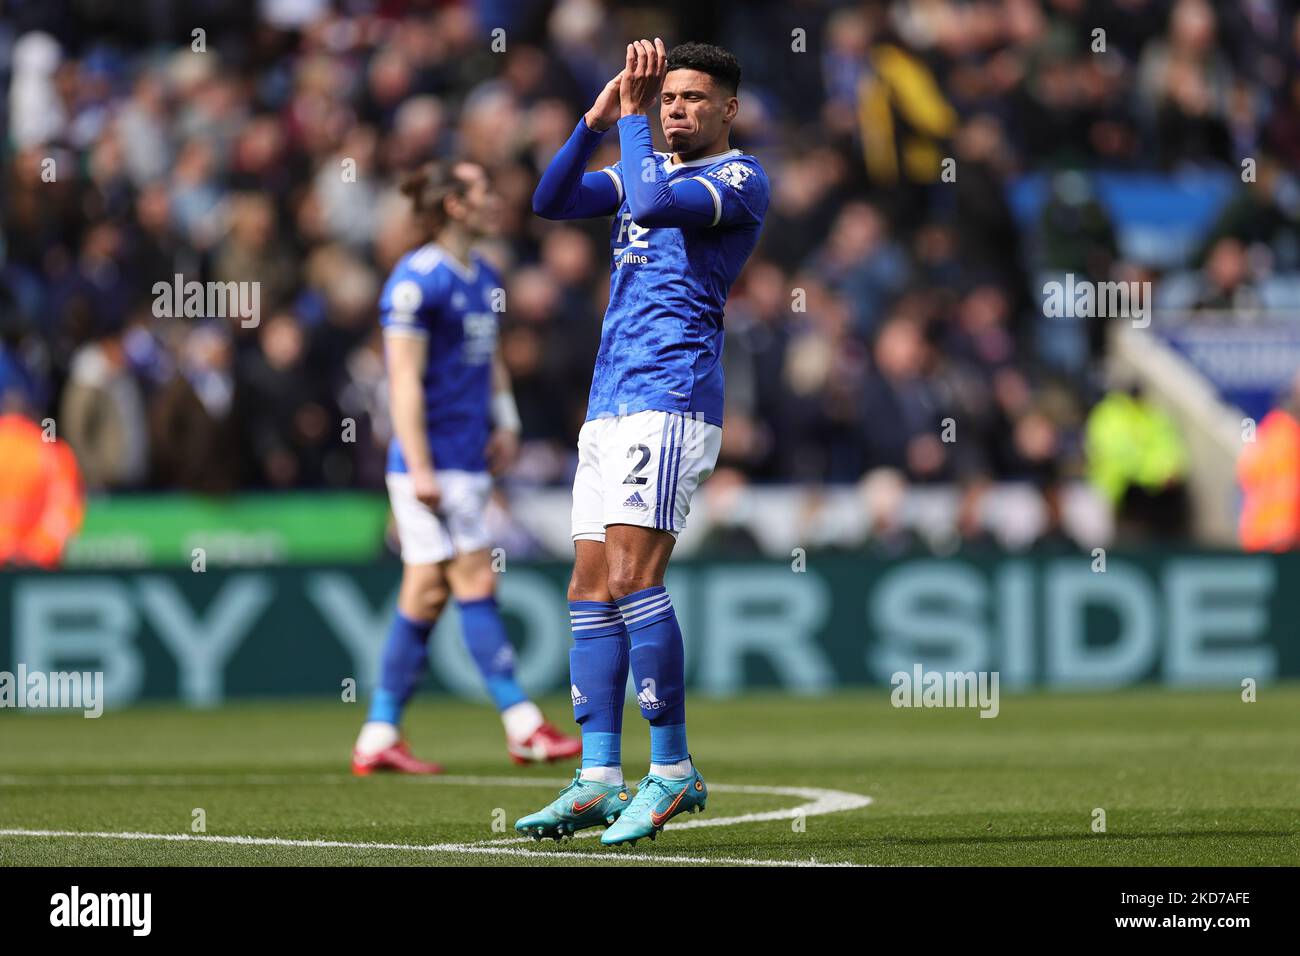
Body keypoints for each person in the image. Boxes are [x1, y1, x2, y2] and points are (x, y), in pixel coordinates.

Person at [517, 39, 769, 845]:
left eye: (693, 98)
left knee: (631, 577)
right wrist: (594, 119)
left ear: (727, 108)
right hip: (610, 400)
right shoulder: (639, 163)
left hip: (671, 397)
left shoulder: (738, 178)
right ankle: (596, 776)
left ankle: (671, 770)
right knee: (588, 588)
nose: (675, 110)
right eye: (666, 99)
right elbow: (550, 201)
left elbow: (658, 208)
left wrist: (629, 124)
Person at [352, 159, 580, 775]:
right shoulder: (415, 280)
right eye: (482, 190)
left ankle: (377, 734)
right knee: (476, 579)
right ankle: (523, 722)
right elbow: (400, 380)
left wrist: (504, 418)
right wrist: (420, 466)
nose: (494, 199)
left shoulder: (482, 273)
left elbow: (489, 359)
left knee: (425, 593)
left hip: (468, 455)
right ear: (454, 204)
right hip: (434, 464)